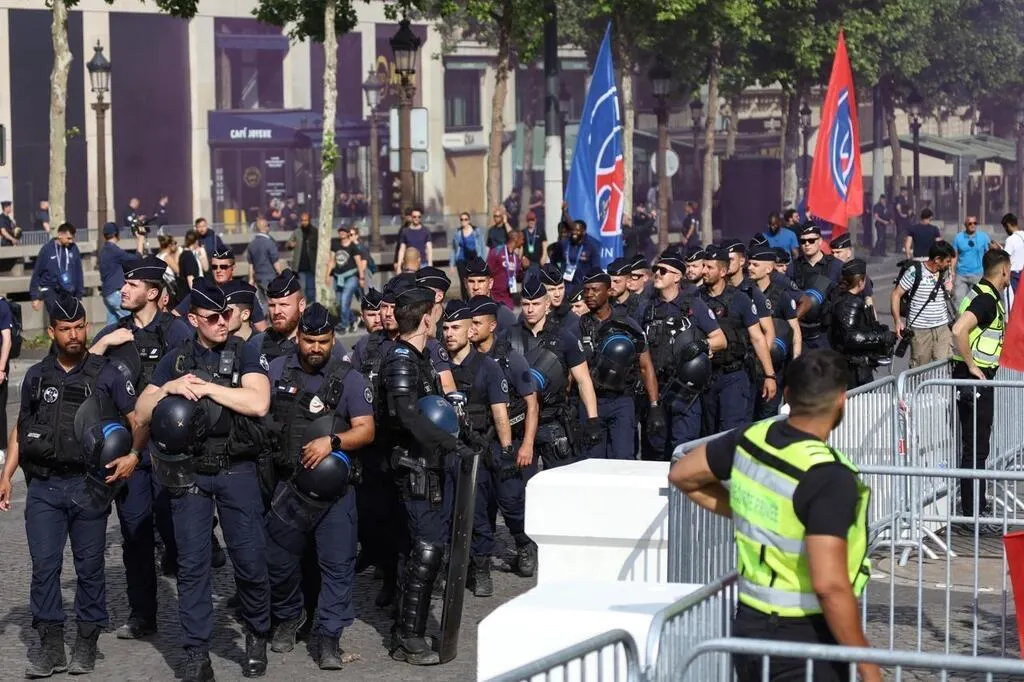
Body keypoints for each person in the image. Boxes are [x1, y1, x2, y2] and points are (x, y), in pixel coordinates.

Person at [668, 349, 881, 682]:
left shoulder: (751, 439)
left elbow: (683, 474)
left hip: (749, 625)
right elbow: (829, 586)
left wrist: (749, 512)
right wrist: (867, 665)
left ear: (787, 394)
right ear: (842, 400)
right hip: (806, 637)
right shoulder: (829, 475)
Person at [134, 279, 272, 681]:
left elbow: (258, 401)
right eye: (213, 317)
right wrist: (170, 389)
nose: (223, 322)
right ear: (193, 319)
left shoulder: (244, 350)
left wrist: (209, 389)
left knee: (249, 559)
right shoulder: (175, 359)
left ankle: (256, 632)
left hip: (236, 468)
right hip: (190, 472)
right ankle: (197, 652)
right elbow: (141, 411)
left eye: (227, 314)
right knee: (192, 566)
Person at [0, 292, 140, 678]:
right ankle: (50, 646)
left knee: (90, 567)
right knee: (45, 567)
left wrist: (133, 456)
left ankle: (86, 642)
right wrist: (6, 474)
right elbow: (21, 427)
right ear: (52, 332)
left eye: (80, 327)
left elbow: (137, 419)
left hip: (89, 485)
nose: (75, 335)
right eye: (66, 330)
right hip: (44, 486)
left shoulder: (107, 373)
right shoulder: (36, 376)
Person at [89, 256, 196, 639]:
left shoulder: (178, 331)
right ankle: (142, 616)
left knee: (180, 537)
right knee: (135, 536)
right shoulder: (115, 333)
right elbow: (86, 384)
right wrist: (101, 345)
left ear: (153, 292)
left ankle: (192, 619)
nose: (124, 289)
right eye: (124, 284)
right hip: (130, 453)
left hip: (170, 450)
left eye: (132, 285)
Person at [264, 303, 375, 668]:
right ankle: (290, 616)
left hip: (334, 492)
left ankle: (328, 637)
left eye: (323, 341)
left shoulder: (350, 379)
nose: (315, 348)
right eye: (309, 340)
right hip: (288, 486)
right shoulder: (276, 370)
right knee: (279, 562)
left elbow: (366, 429)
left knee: (338, 565)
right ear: (298, 336)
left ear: (333, 339)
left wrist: (334, 441)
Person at [380, 285, 474, 666]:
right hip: (412, 466)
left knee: (419, 549)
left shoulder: (418, 357)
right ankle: (409, 637)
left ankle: (406, 626)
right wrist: (450, 446)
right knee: (427, 549)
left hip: (426, 464)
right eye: (434, 313)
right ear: (425, 319)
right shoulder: (402, 359)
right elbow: (406, 416)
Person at [442, 300, 513, 596]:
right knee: (444, 513)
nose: (449, 333)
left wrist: (506, 451)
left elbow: (499, 413)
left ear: (471, 330)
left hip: (478, 452)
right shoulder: (438, 367)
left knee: (480, 515)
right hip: (445, 451)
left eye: (455, 327)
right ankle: (447, 567)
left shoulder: (488, 368)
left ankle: (480, 567)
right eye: (445, 328)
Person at [467, 295, 540, 578]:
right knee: (480, 506)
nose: (471, 329)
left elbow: (532, 403)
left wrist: (528, 445)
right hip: (480, 442)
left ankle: (524, 545)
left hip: (511, 442)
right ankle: (480, 563)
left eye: (476, 323)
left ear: (492, 325)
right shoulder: (466, 359)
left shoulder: (512, 359)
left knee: (511, 502)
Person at [505, 276, 601, 469]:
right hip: (519, 425)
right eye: (525, 304)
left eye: (536, 304)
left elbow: (583, 381)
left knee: (561, 488)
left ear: (547, 304)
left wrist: (593, 419)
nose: (530, 309)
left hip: (554, 422)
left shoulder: (564, 337)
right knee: (519, 493)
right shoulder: (508, 337)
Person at [637, 250, 724, 460]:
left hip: (684, 389)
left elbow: (720, 339)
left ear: (677, 277)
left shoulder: (693, 305)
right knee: (654, 453)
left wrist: (701, 345)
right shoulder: (645, 307)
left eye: (663, 271)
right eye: (656, 270)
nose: (657, 274)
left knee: (683, 450)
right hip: (654, 389)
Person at [951, 249, 1010, 531]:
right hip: (975, 380)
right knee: (975, 449)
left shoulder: (982, 293)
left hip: (976, 380)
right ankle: (973, 515)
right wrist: (973, 366)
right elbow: (958, 329)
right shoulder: (986, 299)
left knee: (978, 447)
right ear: (1004, 272)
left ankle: (977, 510)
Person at [578, 271, 661, 460]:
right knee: (592, 462)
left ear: (608, 292)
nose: (589, 294)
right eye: (586, 291)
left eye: (595, 290)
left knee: (623, 460)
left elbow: (646, 366)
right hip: (591, 403)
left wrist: (654, 406)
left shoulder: (629, 326)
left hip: (622, 401)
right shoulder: (577, 327)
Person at [700, 245, 776, 434]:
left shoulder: (740, 299)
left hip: (733, 376)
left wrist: (769, 375)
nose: (704, 271)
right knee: (708, 435)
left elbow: (758, 338)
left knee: (731, 433)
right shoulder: (696, 299)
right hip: (705, 378)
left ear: (723, 271)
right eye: (703, 266)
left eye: (709, 268)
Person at [748, 248, 801, 419]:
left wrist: (795, 365)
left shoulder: (781, 296)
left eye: (755, 264)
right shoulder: (744, 294)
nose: (750, 267)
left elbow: (795, 332)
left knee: (766, 416)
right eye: (749, 263)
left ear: (769, 269)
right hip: (749, 367)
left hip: (773, 367)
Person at [828, 259, 897, 388]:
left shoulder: (850, 299)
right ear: (860, 282)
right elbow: (851, 337)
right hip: (852, 368)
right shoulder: (851, 303)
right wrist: (882, 338)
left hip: (856, 365)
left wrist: (881, 331)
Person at [890, 241, 955, 368]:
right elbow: (896, 294)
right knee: (919, 371)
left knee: (944, 370)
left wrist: (950, 289)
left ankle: (941, 389)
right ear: (937, 259)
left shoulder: (945, 272)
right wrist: (897, 321)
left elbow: (947, 295)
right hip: (920, 331)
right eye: (947, 261)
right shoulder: (914, 272)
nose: (949, 264)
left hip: (942, 329)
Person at [175, 248, 270, 333]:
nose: (218, 270)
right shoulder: (202, 291)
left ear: (233, 267)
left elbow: (261, 328)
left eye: (224, 267)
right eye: (214, 267)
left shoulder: (244, 292)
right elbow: (174, 316)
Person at [789, 224, 842, 350]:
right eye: (803, 241)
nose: (807, 244)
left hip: (825, 333)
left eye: (811, 240)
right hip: (800, 331)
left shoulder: (835, 266)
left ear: (820, 242)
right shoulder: (793, 267)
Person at [30, 223, 84, 314]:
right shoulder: (47, 250)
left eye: (72, 238)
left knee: (68, 319)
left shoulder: (73, 249)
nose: (70, 241)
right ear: (60, 235)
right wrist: (34, 296)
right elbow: (36, 273)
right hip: (50, 289)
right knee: (57, 317)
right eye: (68, 238)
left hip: (68, 290)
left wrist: (79, 295)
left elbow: (79, 273)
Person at [98, 222, 145, 325]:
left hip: (107, 293)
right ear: (116, 234)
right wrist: (140, 240)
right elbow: (137, 259)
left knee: (112, 326)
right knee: (130, 321)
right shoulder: (114, 250)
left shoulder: (103, 250)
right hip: (116, 293)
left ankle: (110, 341)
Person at [462, 257, 518, 332]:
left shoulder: (504, 315)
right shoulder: (458, 313)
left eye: (481, 281)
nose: (476, 287)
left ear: (490, 283)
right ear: (465, 283)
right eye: (471, 282)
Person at [329, 224, 366, 333]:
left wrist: (362, 278)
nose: (342, 233)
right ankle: (353, 319)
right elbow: (331, 261)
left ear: (348, 233)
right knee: (340, 303)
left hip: (351, 277)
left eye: (344, 231)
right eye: (340, 231)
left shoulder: (353, 247)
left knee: (345, 300)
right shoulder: (335, 245)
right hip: (338, 277)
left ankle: (344, 325)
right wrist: (327, 275)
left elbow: (359, 263)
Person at [952, 216, 995, 306]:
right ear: (965, 225)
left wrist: (990, 270)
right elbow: (954, 256)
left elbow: (989, 254)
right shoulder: (958, 238)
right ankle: (959, 319)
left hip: (978, 274)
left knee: (977, 302)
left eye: (975, 223)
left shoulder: (983, 237)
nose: (973, 225)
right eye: (970, 223)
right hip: (961, 275)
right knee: (959, 301)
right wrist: (952, 271)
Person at [247, 215, 283, 304]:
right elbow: (275, 262)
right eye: (268, 225)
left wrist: (251, 279)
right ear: (266, 227)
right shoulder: (270, 243)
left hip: (258, 278)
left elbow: (250, 264)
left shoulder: (252, 244)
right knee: (273, 302)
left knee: (263, 303)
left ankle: (264, 317)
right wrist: (282, 275)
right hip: (270, 278)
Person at [487, 228, 523, 309]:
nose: (523, 242)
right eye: (521, 239)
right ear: (515, 239)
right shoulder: (496, 252)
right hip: (495, 297)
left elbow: (519, 278)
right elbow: (487, 272)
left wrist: (524, 268)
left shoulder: (516, 257)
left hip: (509, 299)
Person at [287, 213, 318, 303]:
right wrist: (290, 245)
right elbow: (288, 244)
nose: (304, 222)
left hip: (311, 265)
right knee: (302, 288)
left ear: (309, 220)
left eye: (306, 220)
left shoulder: (314, 231)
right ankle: (303, 308)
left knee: (311, 289)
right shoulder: (297, 232)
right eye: (302, 220)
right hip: (299, 266)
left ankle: (312, 306)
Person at [560, 220, 601, 285]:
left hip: (582, 284)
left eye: (577, 230)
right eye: (573, 230)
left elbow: (596, 267)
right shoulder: (565, 244)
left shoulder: (591, 247)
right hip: (566, 283)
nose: (574, 232)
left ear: (584, 232)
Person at [453, 212, 482, 300]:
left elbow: (481, 245)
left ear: (469, 220)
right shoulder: (458, 232)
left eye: (465, 219)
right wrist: (452, 263)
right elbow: (453, 248)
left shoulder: (476, 231)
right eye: (461, 219)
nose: (463, 221)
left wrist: (482, 259)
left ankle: (474, 299)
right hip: (461, 260)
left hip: (473, 259)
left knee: (473, 280)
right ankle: (465, 301)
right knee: (463, 281)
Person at [1001, 213, 1024, 303]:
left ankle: (1009, 318)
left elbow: (1005, 257)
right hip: (1022, 273)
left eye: (1005, 227)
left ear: (1008, 225)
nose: (1006, 230)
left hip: (1014, 275)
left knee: (1010, 302)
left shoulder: (1011, 239)